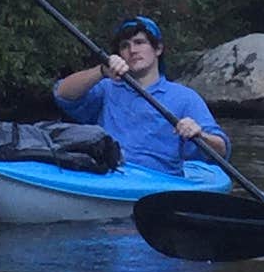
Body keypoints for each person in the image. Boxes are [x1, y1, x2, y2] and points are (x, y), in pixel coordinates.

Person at [51, 15, 230, 174]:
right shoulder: (106, 88)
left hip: (158, 184)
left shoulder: (185, 98)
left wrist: (200, 135)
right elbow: (62, 94)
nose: (132, 50)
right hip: (108, 176)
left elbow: (221, 150)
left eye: (139, 42)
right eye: (125, 46)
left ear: (158, 49)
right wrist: (101, 70)